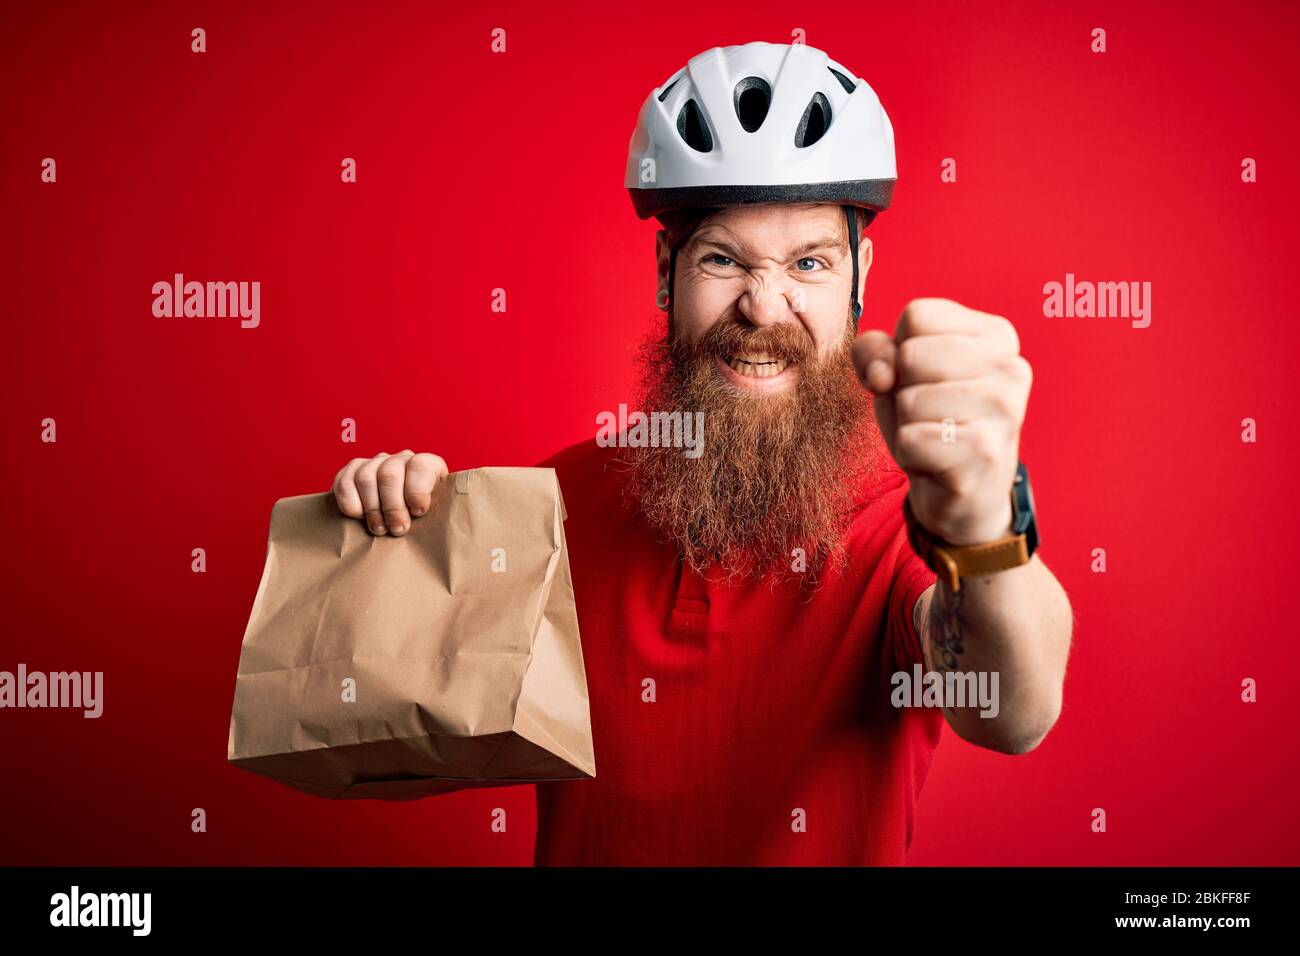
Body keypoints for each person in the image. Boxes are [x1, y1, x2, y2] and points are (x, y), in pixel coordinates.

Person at [329, 41, 1073, 865]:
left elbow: (1011, 711)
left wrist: (978, 527)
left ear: (859, 276)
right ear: (665, 273)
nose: (763, 307)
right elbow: (383, 727)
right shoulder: (554, 501)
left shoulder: (904, 522)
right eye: (722, 258)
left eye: (809, 263)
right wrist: (401, 534)